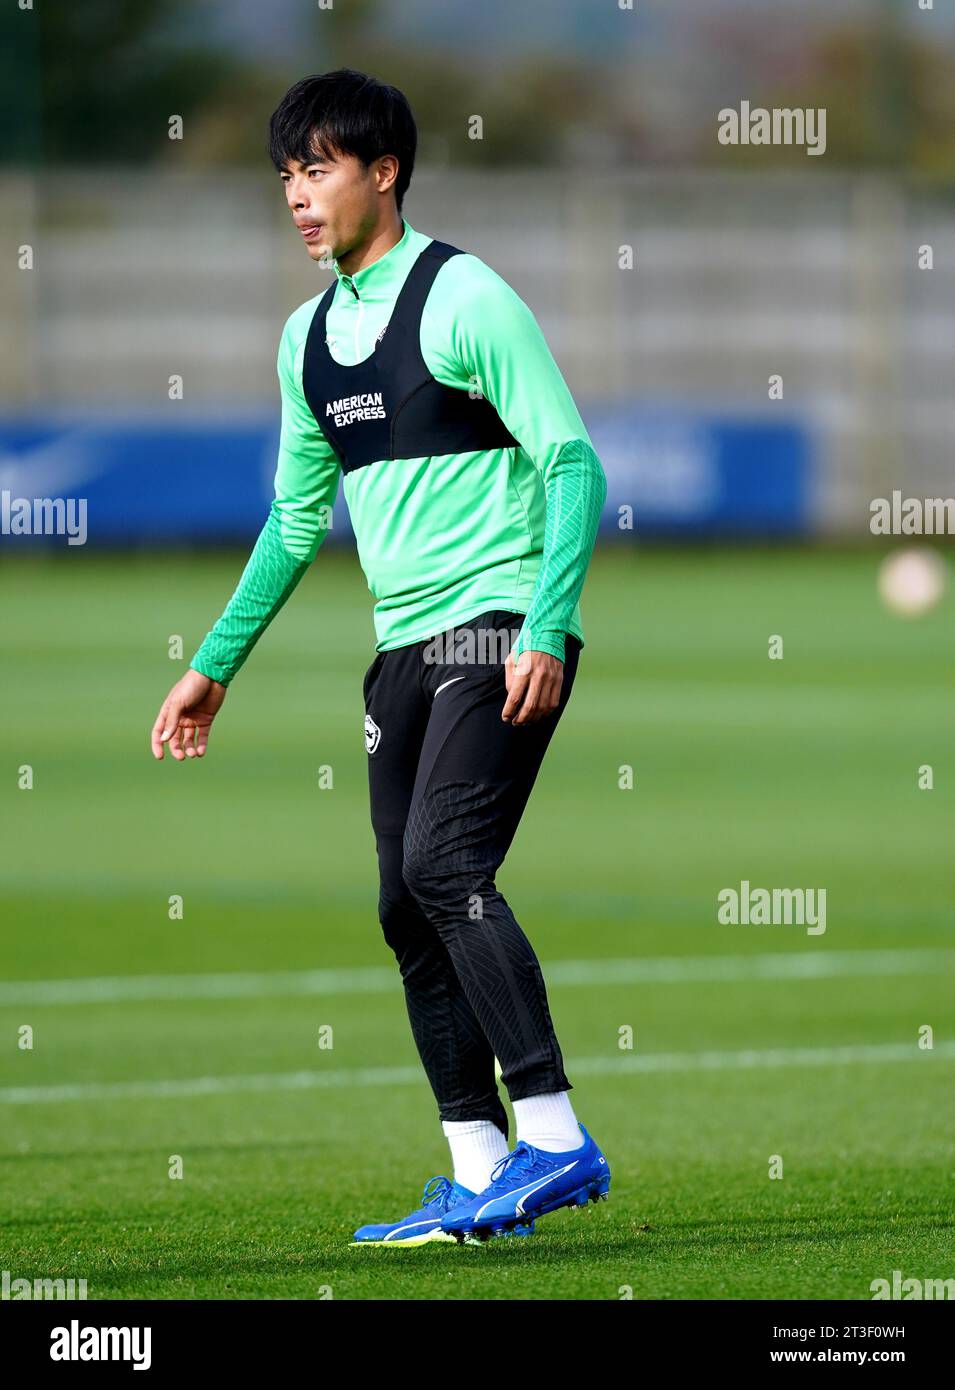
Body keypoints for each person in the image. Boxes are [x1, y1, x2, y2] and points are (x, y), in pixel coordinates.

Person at [150, 68, 610, 1245]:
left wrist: (548, 622)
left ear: (383, 170)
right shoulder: (305, 340)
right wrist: (215, 663)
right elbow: (296, 522)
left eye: (318, 169)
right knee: (404, 906)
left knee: (446, 864)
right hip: (401, 649)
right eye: (287, 176)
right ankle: (477, 1164)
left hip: (496, 623)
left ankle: (555, 1139)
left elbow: (572, 465)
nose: (298, 197)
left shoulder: (465, 296)